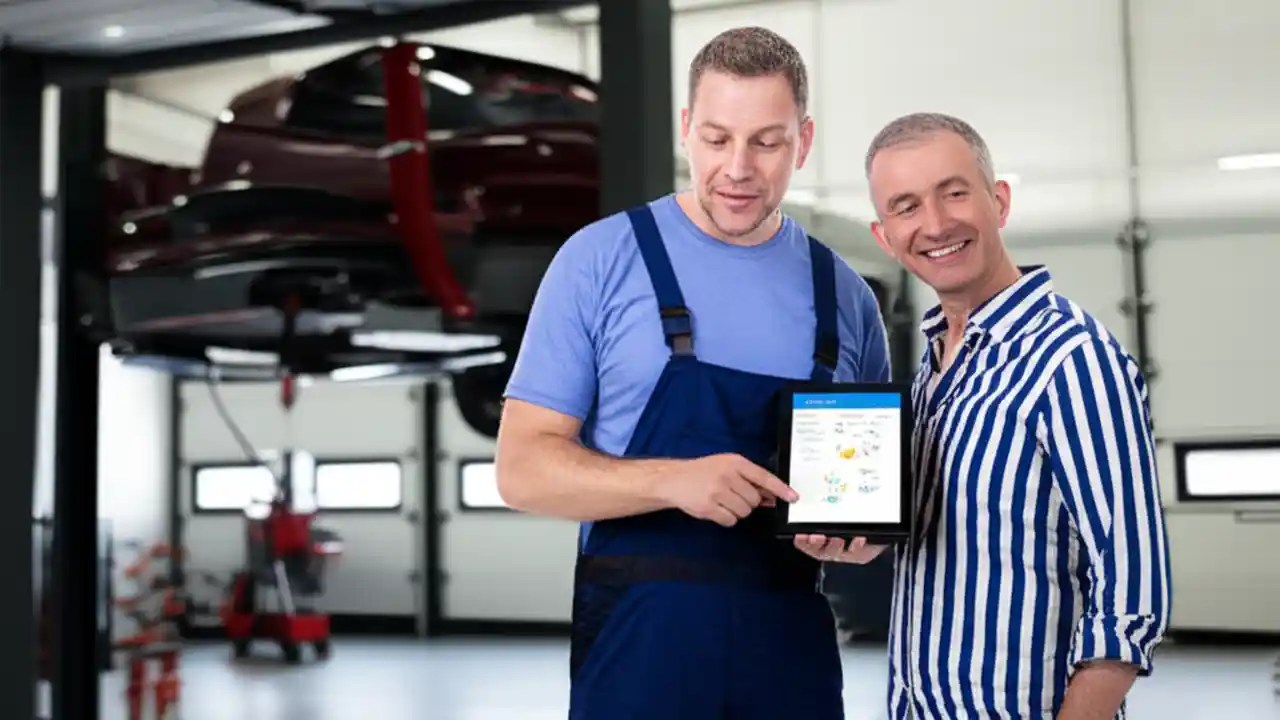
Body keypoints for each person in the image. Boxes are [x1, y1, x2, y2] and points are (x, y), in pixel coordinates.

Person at [494, 26, 891, 720]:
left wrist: (860, 538)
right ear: (685, 130)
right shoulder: (599, 260)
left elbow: (868, 500)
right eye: (716, 138)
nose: (738, 167)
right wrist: (673, 480)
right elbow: (521, 470)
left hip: (788, 661)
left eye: (766, 141)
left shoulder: (848, 298)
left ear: (803, 140)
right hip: (639, 657)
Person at [797, 112, 1173, 719]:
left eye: (954, 193)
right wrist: (859, 543)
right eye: (907, 206)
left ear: (997, 201)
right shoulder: (934, 370)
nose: (936, 224)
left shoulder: (1071, 360)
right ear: (885, 234)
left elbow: (1134, 591)